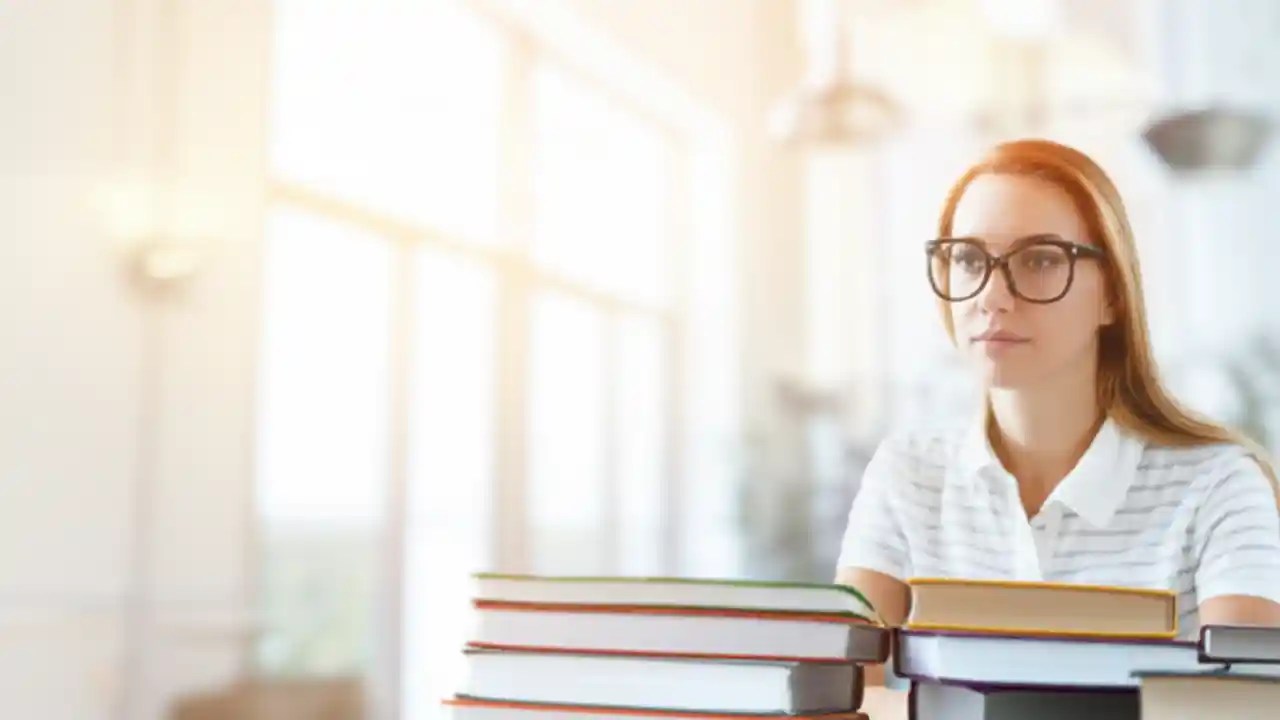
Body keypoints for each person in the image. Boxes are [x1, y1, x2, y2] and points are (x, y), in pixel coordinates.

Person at [835, 139, 1280, 640]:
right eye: (968, 259)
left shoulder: (1219, 487)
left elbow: (1247, 704)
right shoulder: (909, 472)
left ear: (1112, 295)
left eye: (1041, 260)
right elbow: (845, 698)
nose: (992, 297)